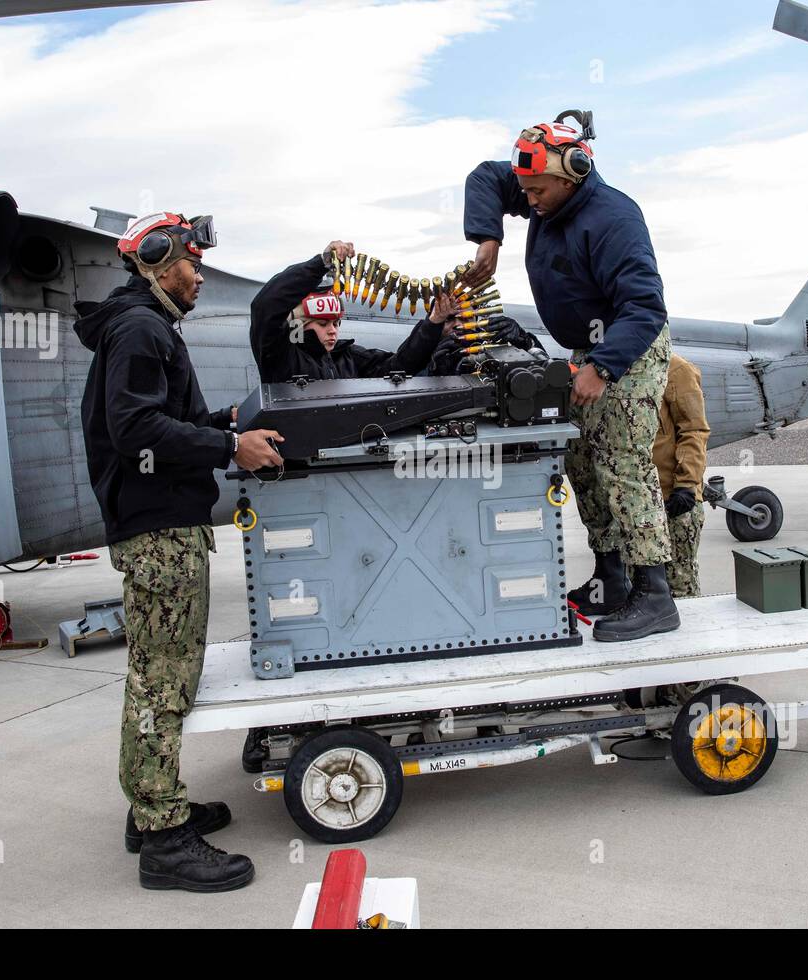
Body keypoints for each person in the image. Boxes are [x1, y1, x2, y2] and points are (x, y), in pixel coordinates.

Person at [75, 211, 283, 892]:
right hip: (158, 526)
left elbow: (166, 419)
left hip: (161, 519)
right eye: (193, 263)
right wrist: (227, 448)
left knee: (158, 675)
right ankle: (165, 840)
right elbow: (134, 426)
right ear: (162, 260)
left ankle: (152, 808)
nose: (199, 276)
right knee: (164, 681)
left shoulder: (145, 325)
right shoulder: (141, 327)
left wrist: (227, 422)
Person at [460, 113, 679, 641]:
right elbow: (485, 178)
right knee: (581, 462)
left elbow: (645, 307)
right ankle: (611, 578)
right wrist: (488, 237)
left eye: (537, 191)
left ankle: (655, 594)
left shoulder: (614, 218)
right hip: (586, 349)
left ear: (573, 173)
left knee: (622, 463)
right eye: (525, 190)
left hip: (630, 347)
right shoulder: (545, 193)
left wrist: (603, 368)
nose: (528, 200)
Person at [250, 240, 459, 382]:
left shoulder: (348, 357)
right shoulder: (281, 356)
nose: (332, 331)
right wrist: (319, 264)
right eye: (322, 324)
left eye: (335, 323)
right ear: (300, 325)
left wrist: (433, 321)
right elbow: (265, 306)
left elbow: (399, 366)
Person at [652, 353, 710, 597]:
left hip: (676, 500)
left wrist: (686, 483)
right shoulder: (627, 368)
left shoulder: (676, 369)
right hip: (645, 503)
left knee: (680, 585)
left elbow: (694, 430)